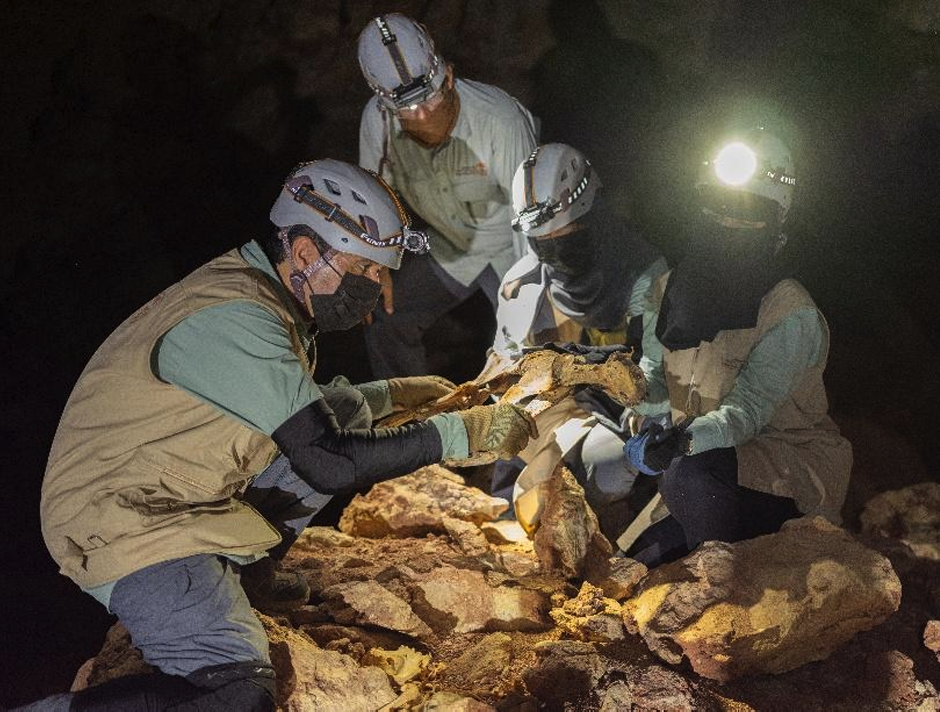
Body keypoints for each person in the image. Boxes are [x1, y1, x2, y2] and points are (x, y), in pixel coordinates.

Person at [37, 159, 536, 709]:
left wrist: (392, 393)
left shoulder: (265, 296)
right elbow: (327, 461)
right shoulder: (237, 317)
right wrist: (460, 433)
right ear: (303, 253)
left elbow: (308, 414)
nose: (377, 287)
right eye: (367, 270)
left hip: (170, 489)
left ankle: (245, 574)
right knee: (236, 691)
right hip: (124, 518)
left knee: (343, 412)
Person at [622, 128, 853, 567]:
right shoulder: (667, 289)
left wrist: (680, 442)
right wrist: (639, 419)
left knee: (688, 476)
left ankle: (730, 583)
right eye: (721, 209)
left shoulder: (791, 311)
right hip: (702, 470)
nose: (730, 223)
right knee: (627, 571)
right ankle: (707, 555)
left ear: (778, 220)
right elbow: (654, 380)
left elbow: (746, 414)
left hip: (787, 476)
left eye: (749, 215)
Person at [487, 143, 667, 542]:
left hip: (637, 412)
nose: (554, 252)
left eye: (565, 237)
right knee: (600, 466)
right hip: (565, 414)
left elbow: (656, 376)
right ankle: (529, 498)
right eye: (542, 243)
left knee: (621, 465)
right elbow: (508, 392)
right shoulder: (524, 285)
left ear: (592, 214)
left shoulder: (645, 276)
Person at [357, 13, 538, 378]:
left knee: (538, 345)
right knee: (386, 314)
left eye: (431, 98)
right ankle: (410, 420)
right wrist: (375, 264)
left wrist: (524, 313)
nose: (423, 114)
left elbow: (531, 225)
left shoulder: (501, 120)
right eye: (407, 109)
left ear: (449, 75)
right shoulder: (378, 122)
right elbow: (373, 194)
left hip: (511, 243)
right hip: (452, 247)